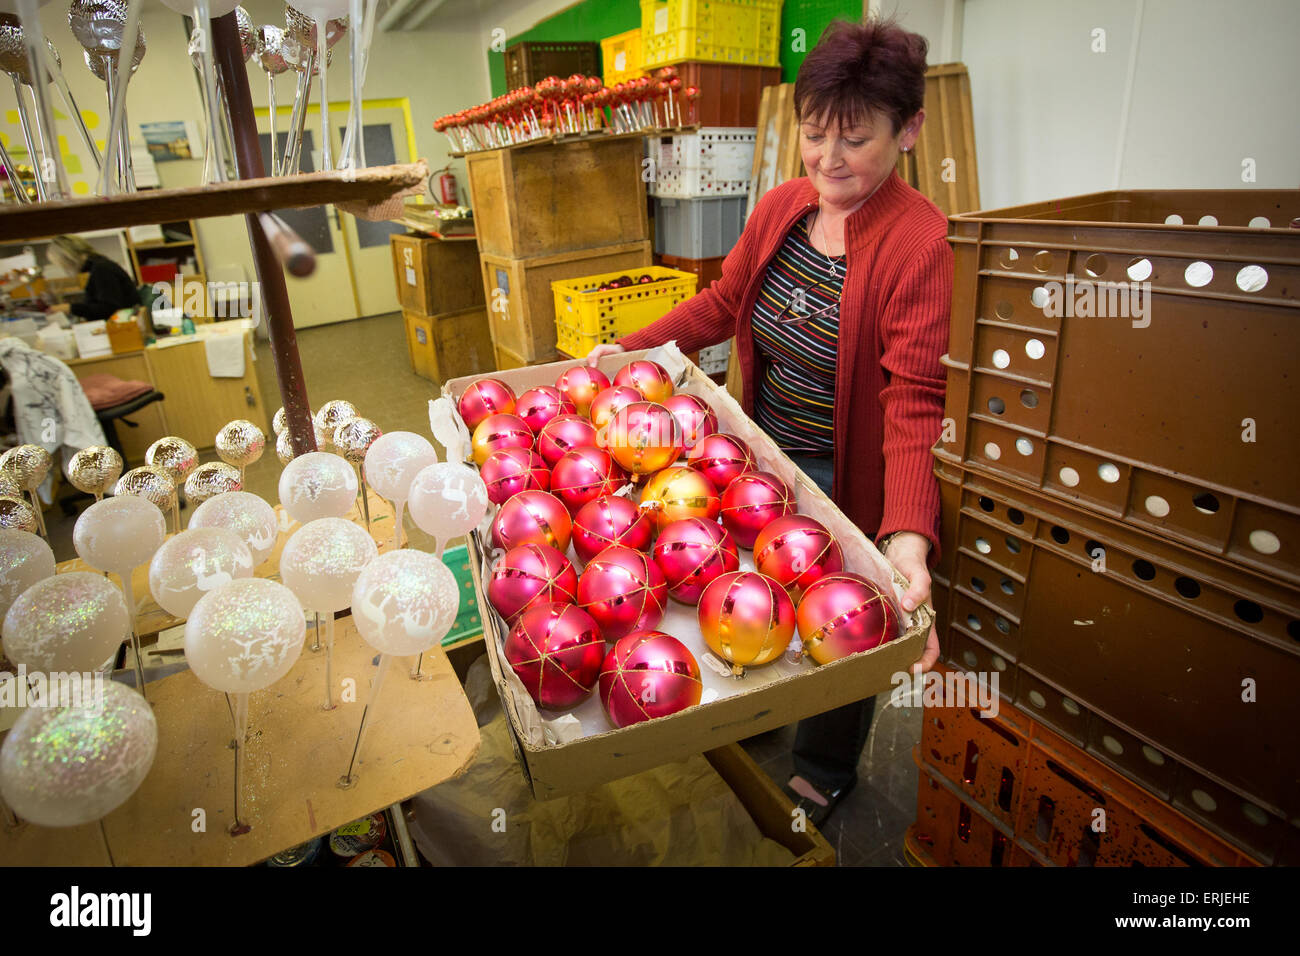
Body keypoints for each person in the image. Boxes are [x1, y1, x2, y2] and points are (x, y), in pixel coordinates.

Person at [588, 16, 947, 827]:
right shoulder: (786, 205)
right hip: (761, 450)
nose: (827, 159)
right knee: (742, 583)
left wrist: (908, 534)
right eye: (815, 134)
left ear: (910, 130)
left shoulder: (918, 242)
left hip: (845, 471)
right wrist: (627, 350)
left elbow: (914, 400)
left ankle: (824, 764)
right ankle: (751, 690)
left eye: (853, 140)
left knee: (844, 613)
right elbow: (722, 303)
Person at [45, 235, 140, 323]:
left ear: (68, 258)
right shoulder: (99, 266)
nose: (64, 268)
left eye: (61, 264)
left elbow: (109, 309)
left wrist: (70, 308)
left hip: (124, 327)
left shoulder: (101, 269)